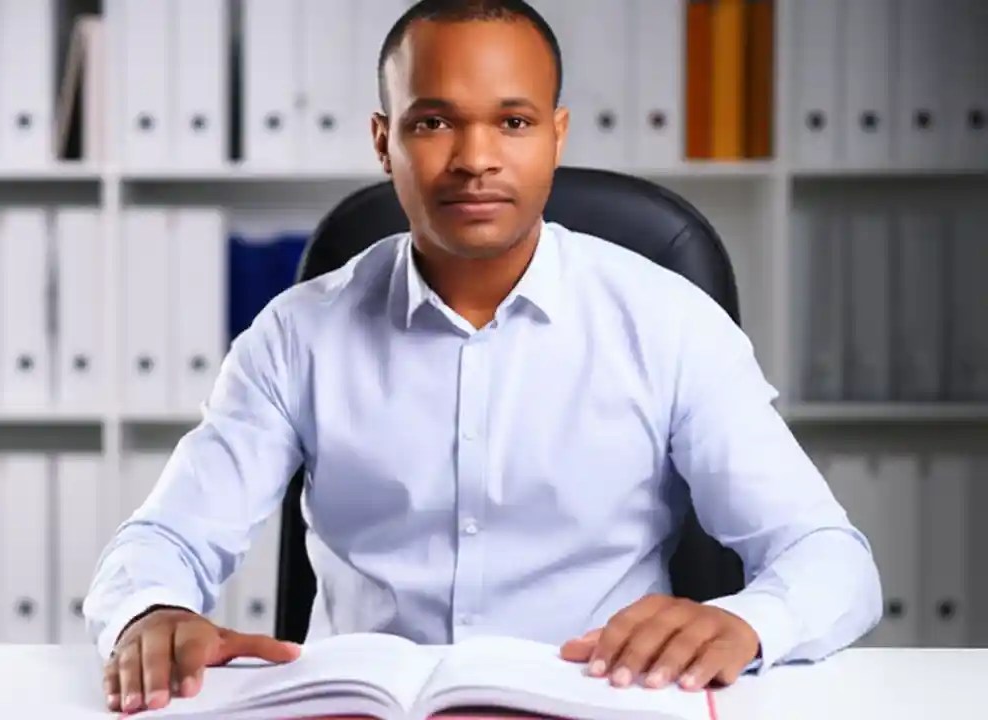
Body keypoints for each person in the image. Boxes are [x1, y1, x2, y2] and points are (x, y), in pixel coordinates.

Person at [87, 0, 882, 714]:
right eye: (433, 122)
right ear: (382, 140)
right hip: (365, 708)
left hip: (599, 702)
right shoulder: (297, 334)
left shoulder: (668, 322)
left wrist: (747, 621)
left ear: (556, 136)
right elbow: (166, 540)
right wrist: (150, 611)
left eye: (513, 122)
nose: (475, 158)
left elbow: (829, 559)